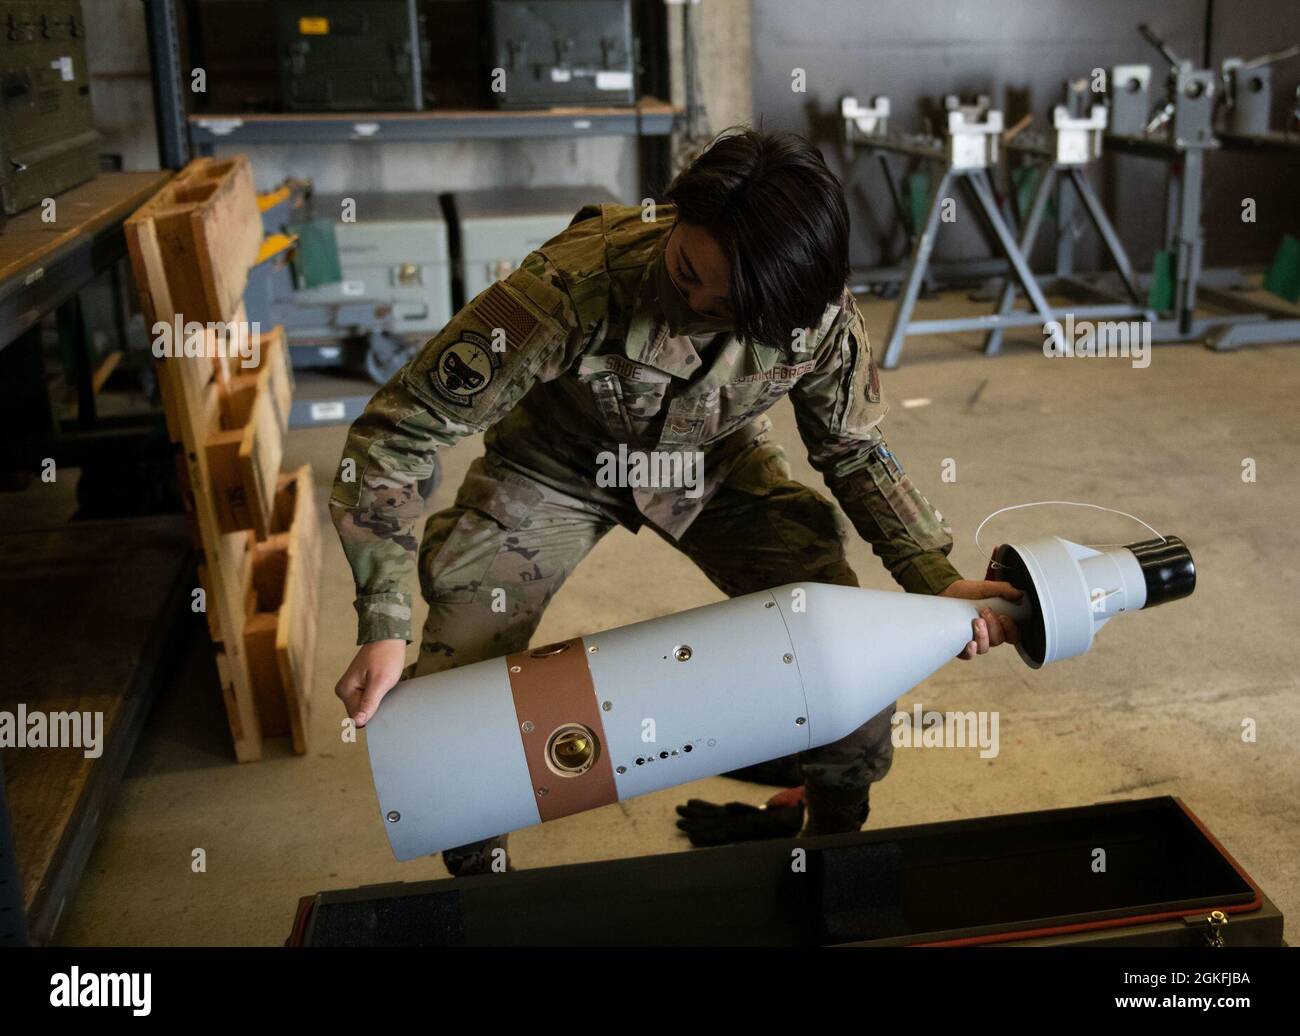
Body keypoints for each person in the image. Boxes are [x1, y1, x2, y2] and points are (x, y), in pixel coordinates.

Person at [330, 128, 1021, 876]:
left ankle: (829, 849)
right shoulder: (567, 288)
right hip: (557, 462)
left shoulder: (814, 314)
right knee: (453, 701)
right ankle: (486, 891)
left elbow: (852, 451)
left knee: (838, 646)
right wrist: (384, 619)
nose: (688, 303)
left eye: (727, 311)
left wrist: (933, 576)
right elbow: (396, 434)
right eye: (687, 270)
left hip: (711, 462)